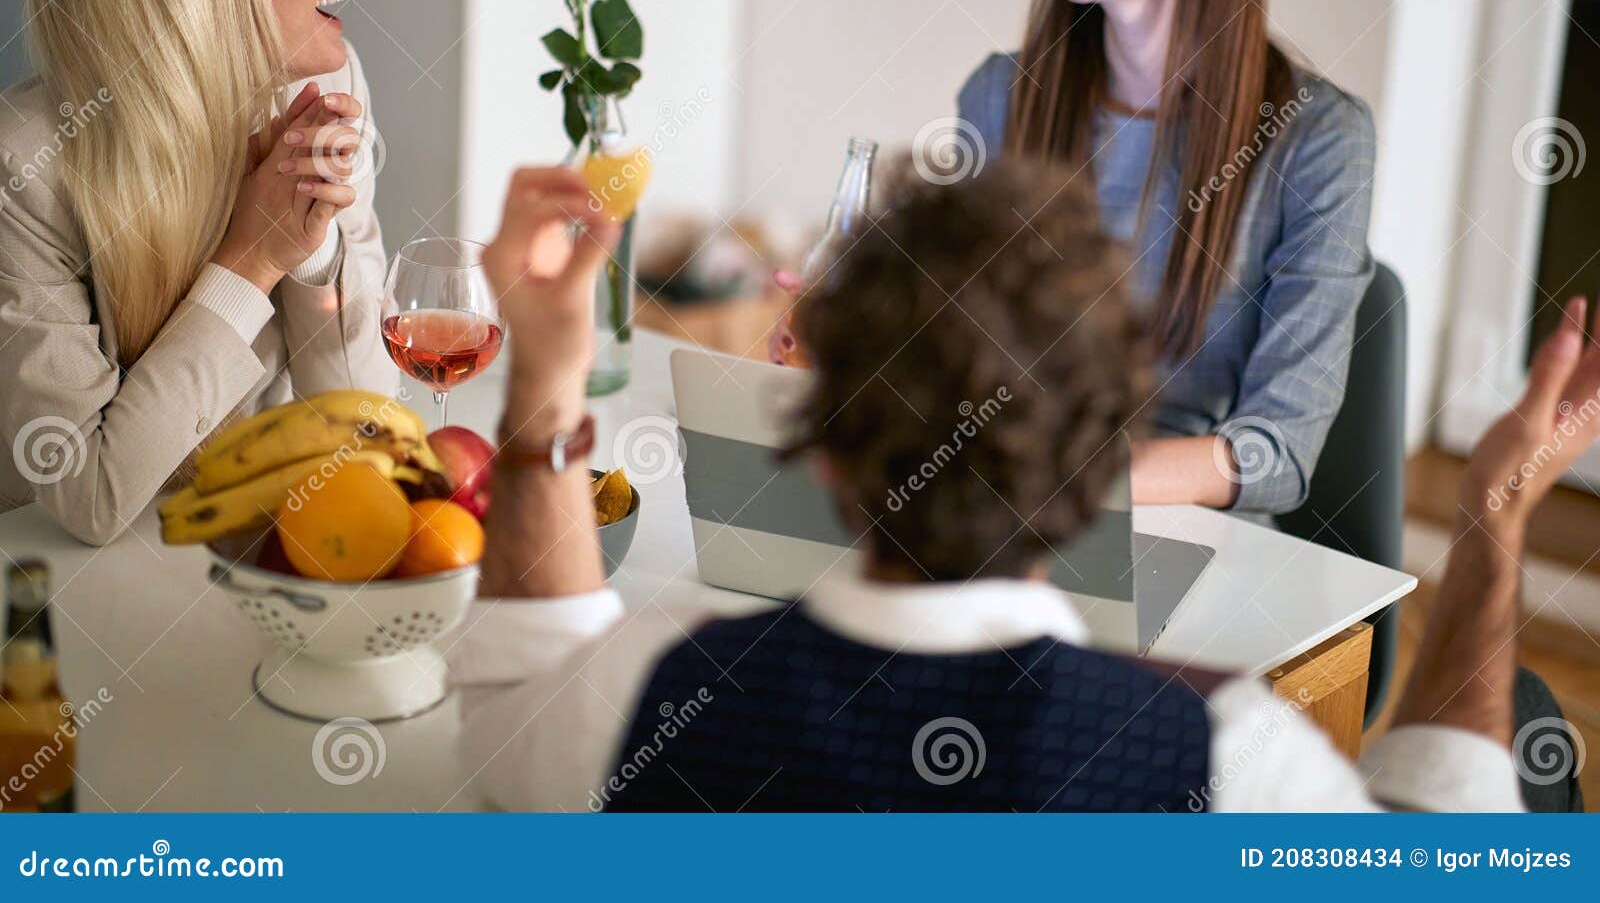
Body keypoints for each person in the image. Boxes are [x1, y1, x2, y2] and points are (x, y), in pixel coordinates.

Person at [449, 158, 1585, 811]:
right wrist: (1491, 527)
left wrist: (545, 375)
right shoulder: (1225, 759)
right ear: (1109, 464)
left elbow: (510, 680)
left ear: (821, 446)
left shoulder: (648, 697)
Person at [773, 0, 1373, 524]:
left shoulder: (1321, 140)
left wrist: (1058, 480)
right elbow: (961, 350)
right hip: (1003, 510)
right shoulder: (999, 95)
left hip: (1180, 534)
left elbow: (1277, 453)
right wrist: (851, 342)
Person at [0, 0, 394, 545]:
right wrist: (252, 259)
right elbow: (92, 498)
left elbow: (367, 425)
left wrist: (310, 249)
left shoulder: (320, 92)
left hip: (230, 544)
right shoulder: (24, 169)